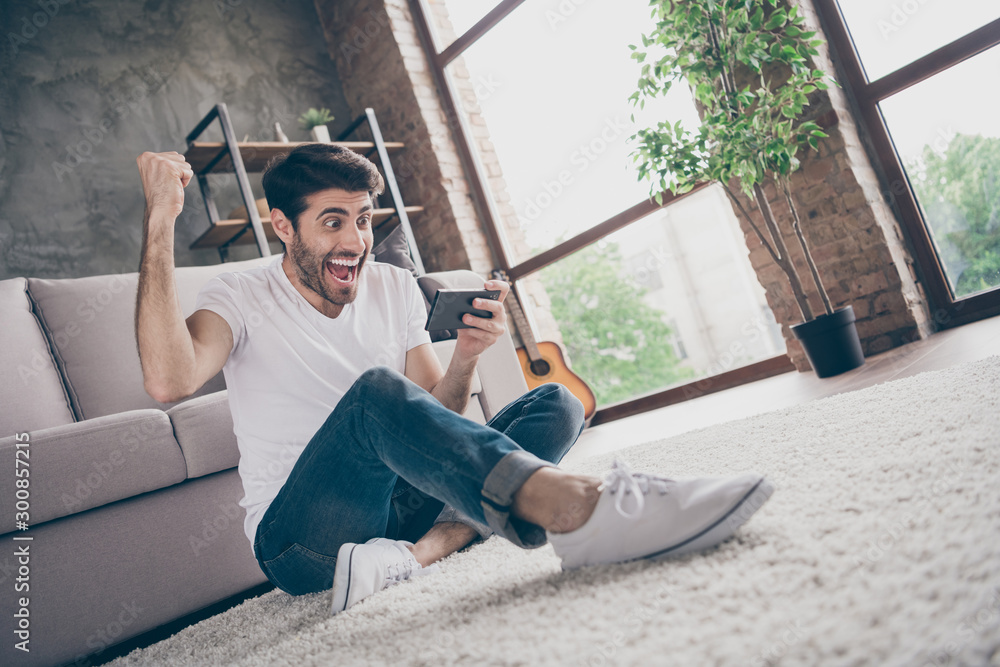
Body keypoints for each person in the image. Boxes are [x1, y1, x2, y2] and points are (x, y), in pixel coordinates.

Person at [134, 144, 773, 615]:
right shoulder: (240, 294)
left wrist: (467, 356)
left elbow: (440, 405)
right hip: (304, 541)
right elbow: (169, 379)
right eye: (333, 222)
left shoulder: (389, 284)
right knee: (377, 394)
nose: (355, 241)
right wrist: (161, 216)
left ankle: (413, 557)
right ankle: (579, 509)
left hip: (399, 510)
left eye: (363, 219)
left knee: (556, 404)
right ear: (283, 227)